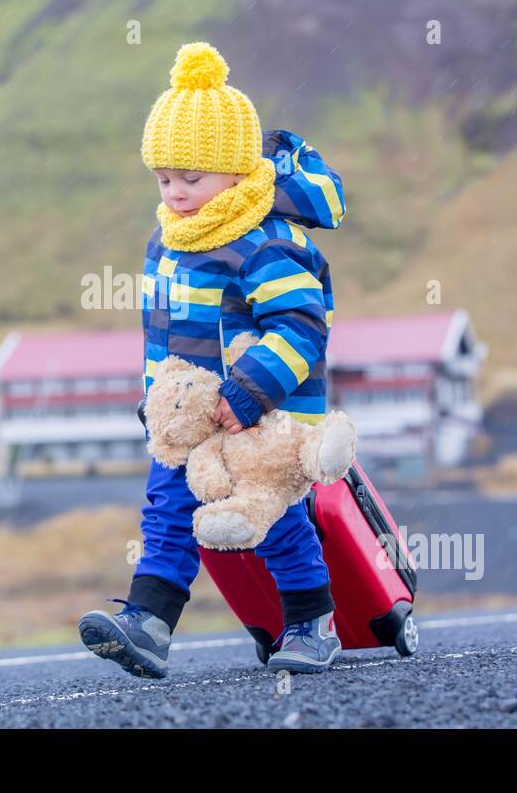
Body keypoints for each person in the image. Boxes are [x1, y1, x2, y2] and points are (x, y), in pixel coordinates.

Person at [78, 41, 348, 677]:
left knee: (274, 519)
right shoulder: (170, 241)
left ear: (234, 170)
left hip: (259, 418)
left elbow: (302, 327)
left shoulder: (264, 244)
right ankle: (148, 623)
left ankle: (313, 624)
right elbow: (165, 339)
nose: (173, 193)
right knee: (168, 509)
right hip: (192, 421)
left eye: (190, 179)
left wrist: (250, 391)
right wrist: (157, 405)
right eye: (163, 178)